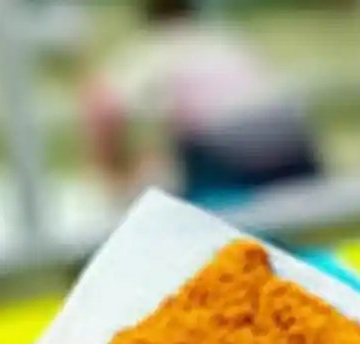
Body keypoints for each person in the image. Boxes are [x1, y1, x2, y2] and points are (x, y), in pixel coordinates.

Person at [84, 0, 321, 205]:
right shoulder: (226, 40)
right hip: (293, 139)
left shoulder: (151, 49)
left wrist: (114, 176)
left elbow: (104, 109)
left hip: (227, 149)